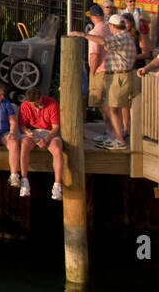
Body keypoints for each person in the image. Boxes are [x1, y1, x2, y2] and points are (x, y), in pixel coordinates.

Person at [70, 13, 137, 149]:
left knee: (113, 109)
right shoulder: (125, 37)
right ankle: (114, 136)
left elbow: (103, 41)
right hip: (120, 76)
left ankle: (119, 140)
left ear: (113, 26)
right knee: (112, 108)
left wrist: (83, 35)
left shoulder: (121, 38)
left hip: (119, 76)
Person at [18, 87, 64, 200]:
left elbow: (56, 128)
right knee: (24, 145)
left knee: (57, 149)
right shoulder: (25, 105)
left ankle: (57, 185)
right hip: (33, 132)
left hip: (49, 132)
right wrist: (28, 133)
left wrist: (47, 139)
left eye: (36, 103)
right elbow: (22, 126)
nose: (34, 106)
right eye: (32, 104)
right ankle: (24, 180)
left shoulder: (52, 103)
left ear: (41, 97)